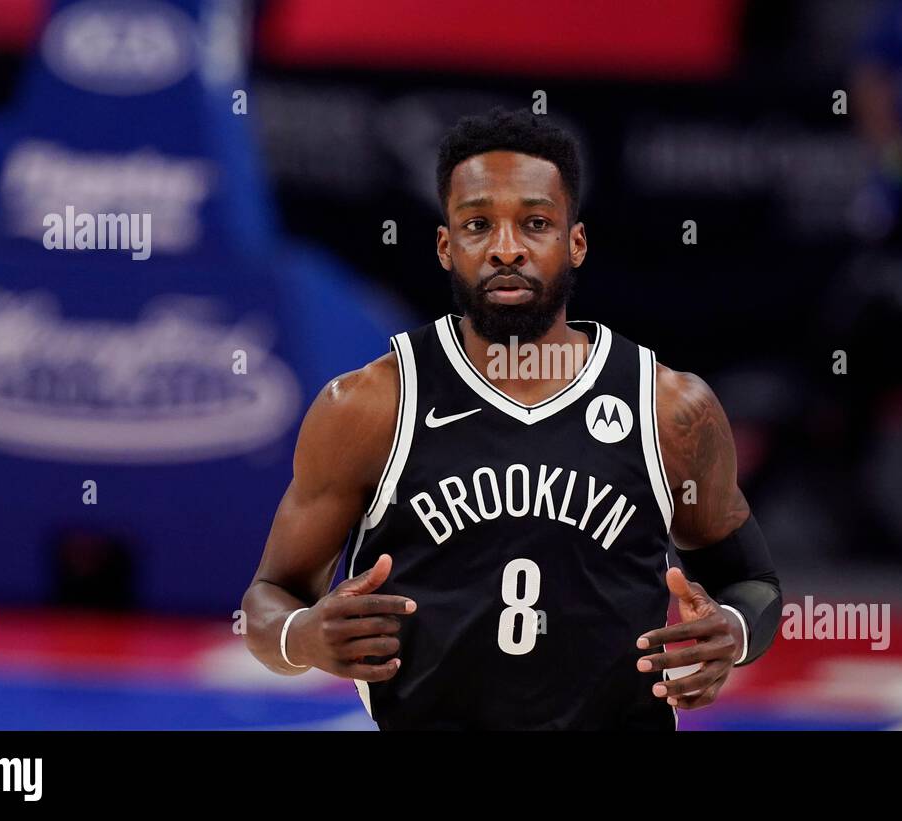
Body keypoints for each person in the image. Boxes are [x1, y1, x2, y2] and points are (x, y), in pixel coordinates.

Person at [242, 108, 781, 730]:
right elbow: (268, 597)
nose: (506, 248)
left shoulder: (668, 407)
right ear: (446, 246)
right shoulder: (369, 405)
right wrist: (298, 637)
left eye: (535, 223)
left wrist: (732, 633)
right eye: (477, 225)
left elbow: (752, 581)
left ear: (574, 242)